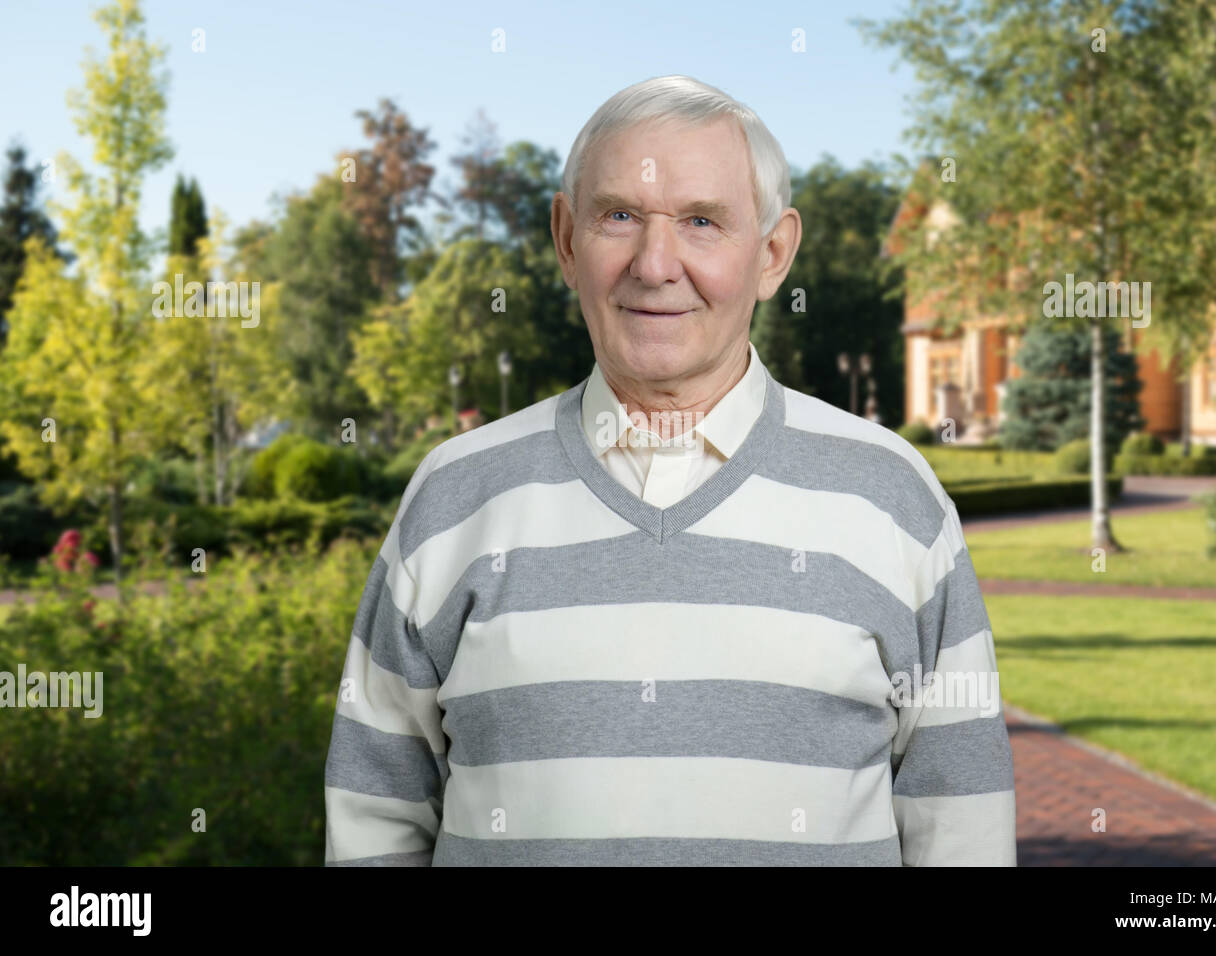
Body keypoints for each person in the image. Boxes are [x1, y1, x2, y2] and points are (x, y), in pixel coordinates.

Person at [324, 74, 1016, 866]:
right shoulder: (453, 495)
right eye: (619, 215)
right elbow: (374, 814)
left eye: (701, 221)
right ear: (567, 239)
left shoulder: (892, 497)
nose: (655, 264)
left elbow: (963, 828)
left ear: (772, 254)